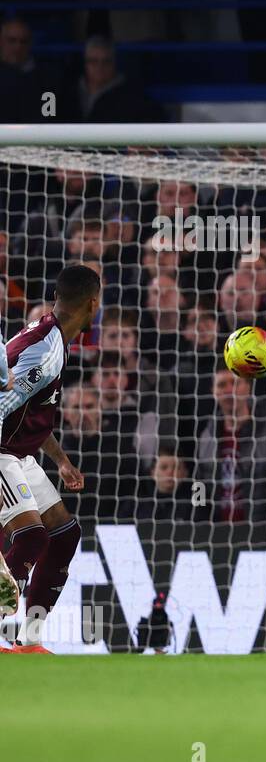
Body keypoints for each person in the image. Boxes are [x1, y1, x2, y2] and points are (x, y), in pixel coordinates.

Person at [0, 264, 101, 652]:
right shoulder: (46, 351)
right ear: (94, 304)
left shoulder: (53, 336)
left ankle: (30, 641)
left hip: (21, 454)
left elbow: (31, 408)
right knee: (30, 536)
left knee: (64, 534)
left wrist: (60, 459)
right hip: (3, 452)